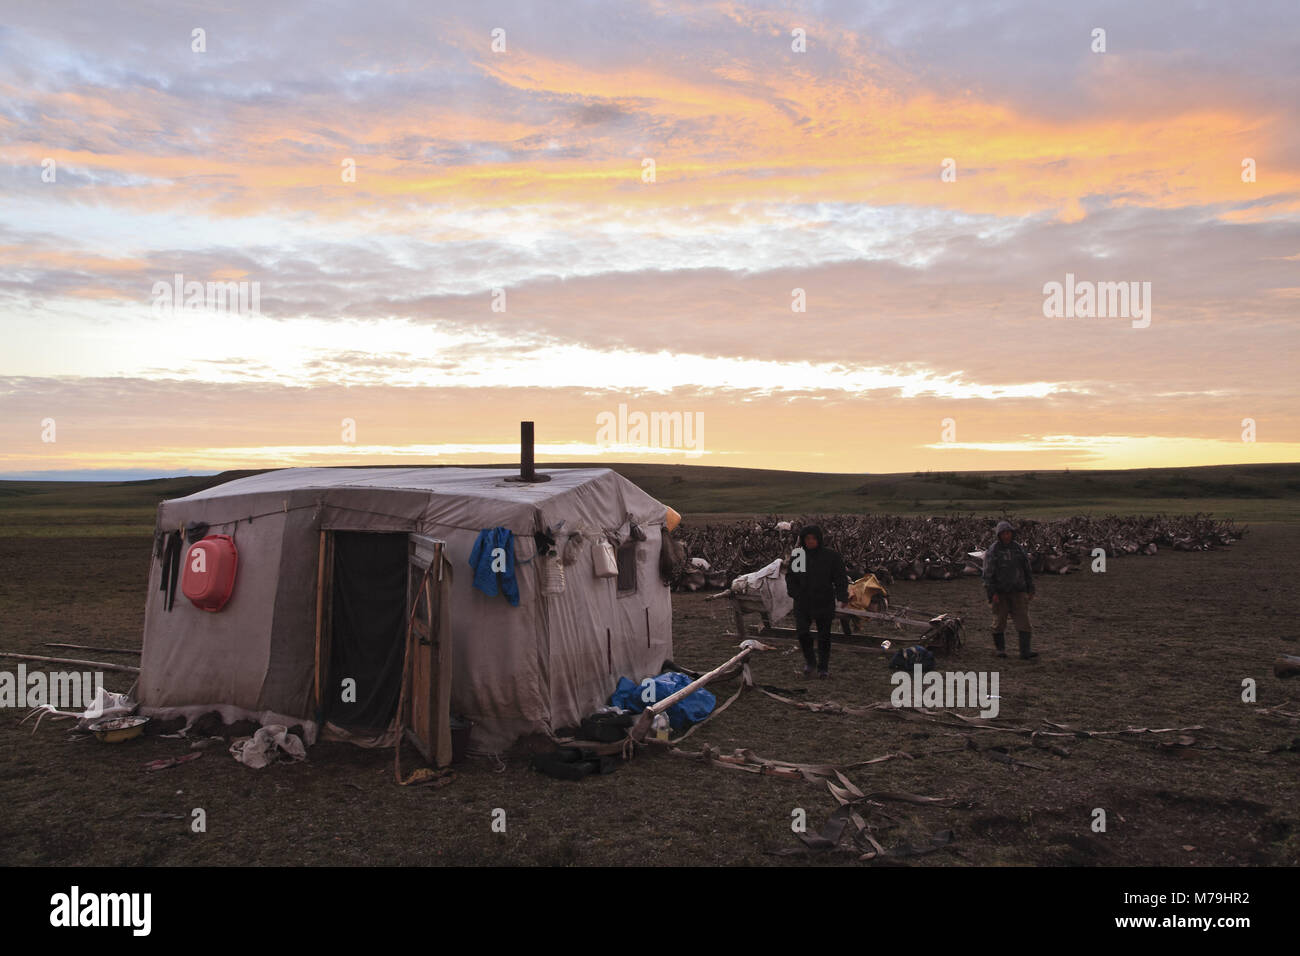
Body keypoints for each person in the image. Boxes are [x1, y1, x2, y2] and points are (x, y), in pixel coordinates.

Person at [785, 525, 850, 678]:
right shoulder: (799, 555)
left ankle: (823, 667)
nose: (810, 541)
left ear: (819, 539)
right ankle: (810, 662)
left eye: (813, 538)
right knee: (802, 633)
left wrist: (842, 596)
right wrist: (794, 593)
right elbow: (791, 577)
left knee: (824, 636)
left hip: (824, 600)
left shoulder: (830, 556)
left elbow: (840, 578)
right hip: (803, 601)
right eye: (807, 538)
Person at [981, 519, 1037, 660]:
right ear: (999, 535)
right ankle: (1000, 650)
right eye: (1004, 533)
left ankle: (1025, 651)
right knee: (999, 622)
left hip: (1018, 591)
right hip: (1000, 592)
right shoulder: (993, 551)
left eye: (1008, 533)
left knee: (1024, 622)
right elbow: (988, 574)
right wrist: (991, 593)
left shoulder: (1018, 549)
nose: (1007, 536)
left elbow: (1027, 569)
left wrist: (1031, 588)